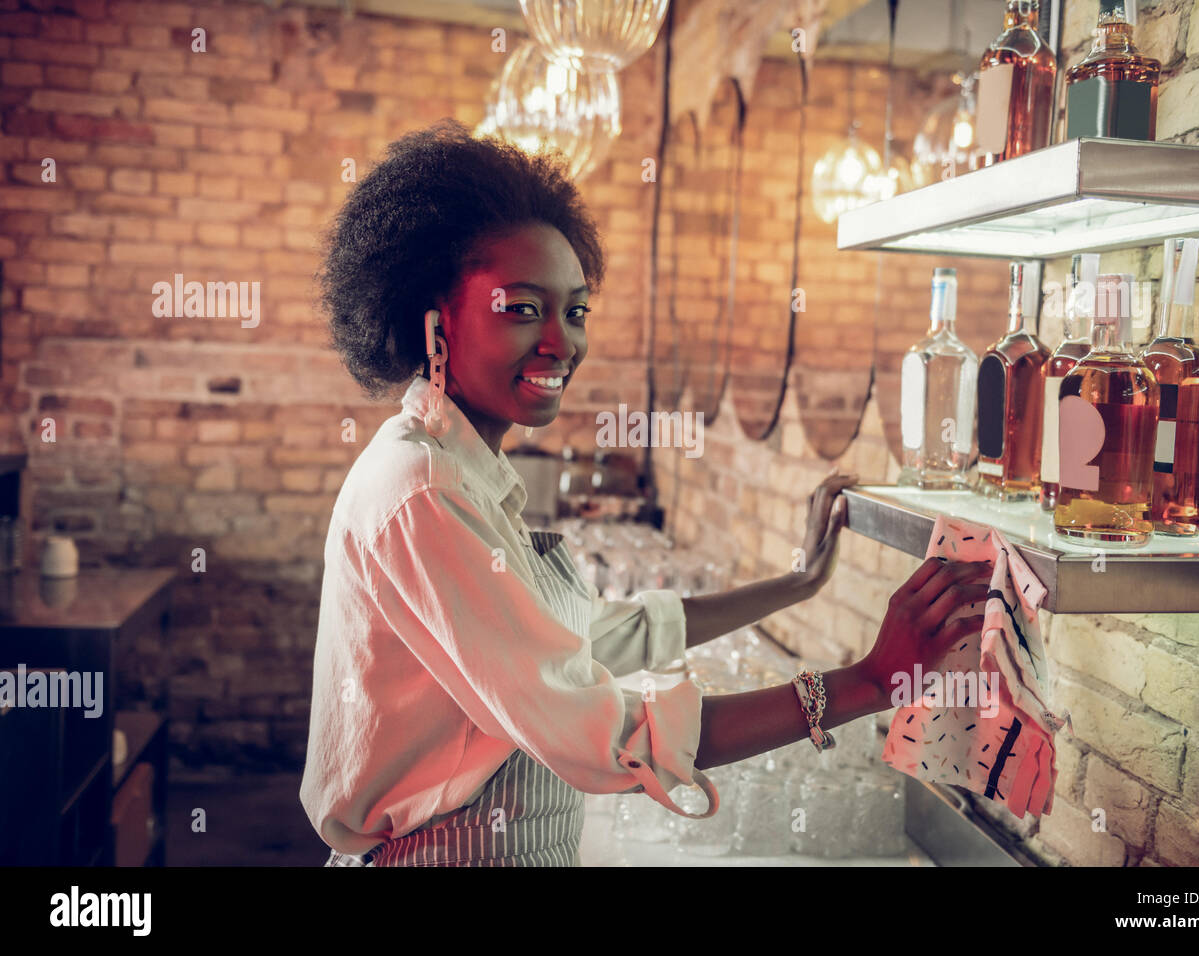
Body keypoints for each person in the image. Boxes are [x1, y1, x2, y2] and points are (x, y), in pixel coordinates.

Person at [300, 119, 992, 866]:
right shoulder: (424, 488)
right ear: (433, 323)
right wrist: (866, 683)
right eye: (522, 307)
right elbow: (602, 736)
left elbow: (590, 638)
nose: (562, 342)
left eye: (574, 310)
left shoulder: (455, 466)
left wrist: (798, 583)